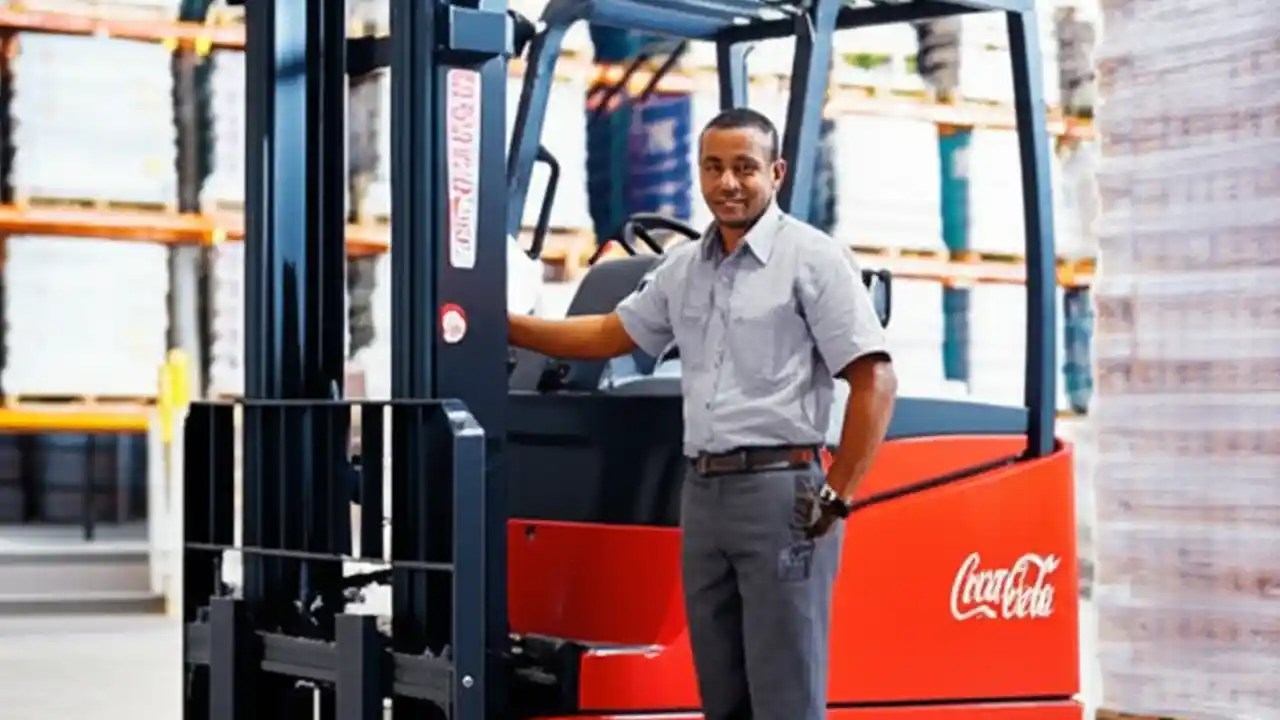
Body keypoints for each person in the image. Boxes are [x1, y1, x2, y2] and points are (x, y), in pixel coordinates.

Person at [507, 107, 897, 720]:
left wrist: (839, 495)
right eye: (714, 168)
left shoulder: (811, 260)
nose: (728, 183)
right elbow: (611, 334)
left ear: (776, 171)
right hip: (705, 492)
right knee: (721, 693)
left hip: (781, 492)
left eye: (744, 168)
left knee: (784, 693)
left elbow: (874, 378)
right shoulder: (683, 269)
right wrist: (505, 327)